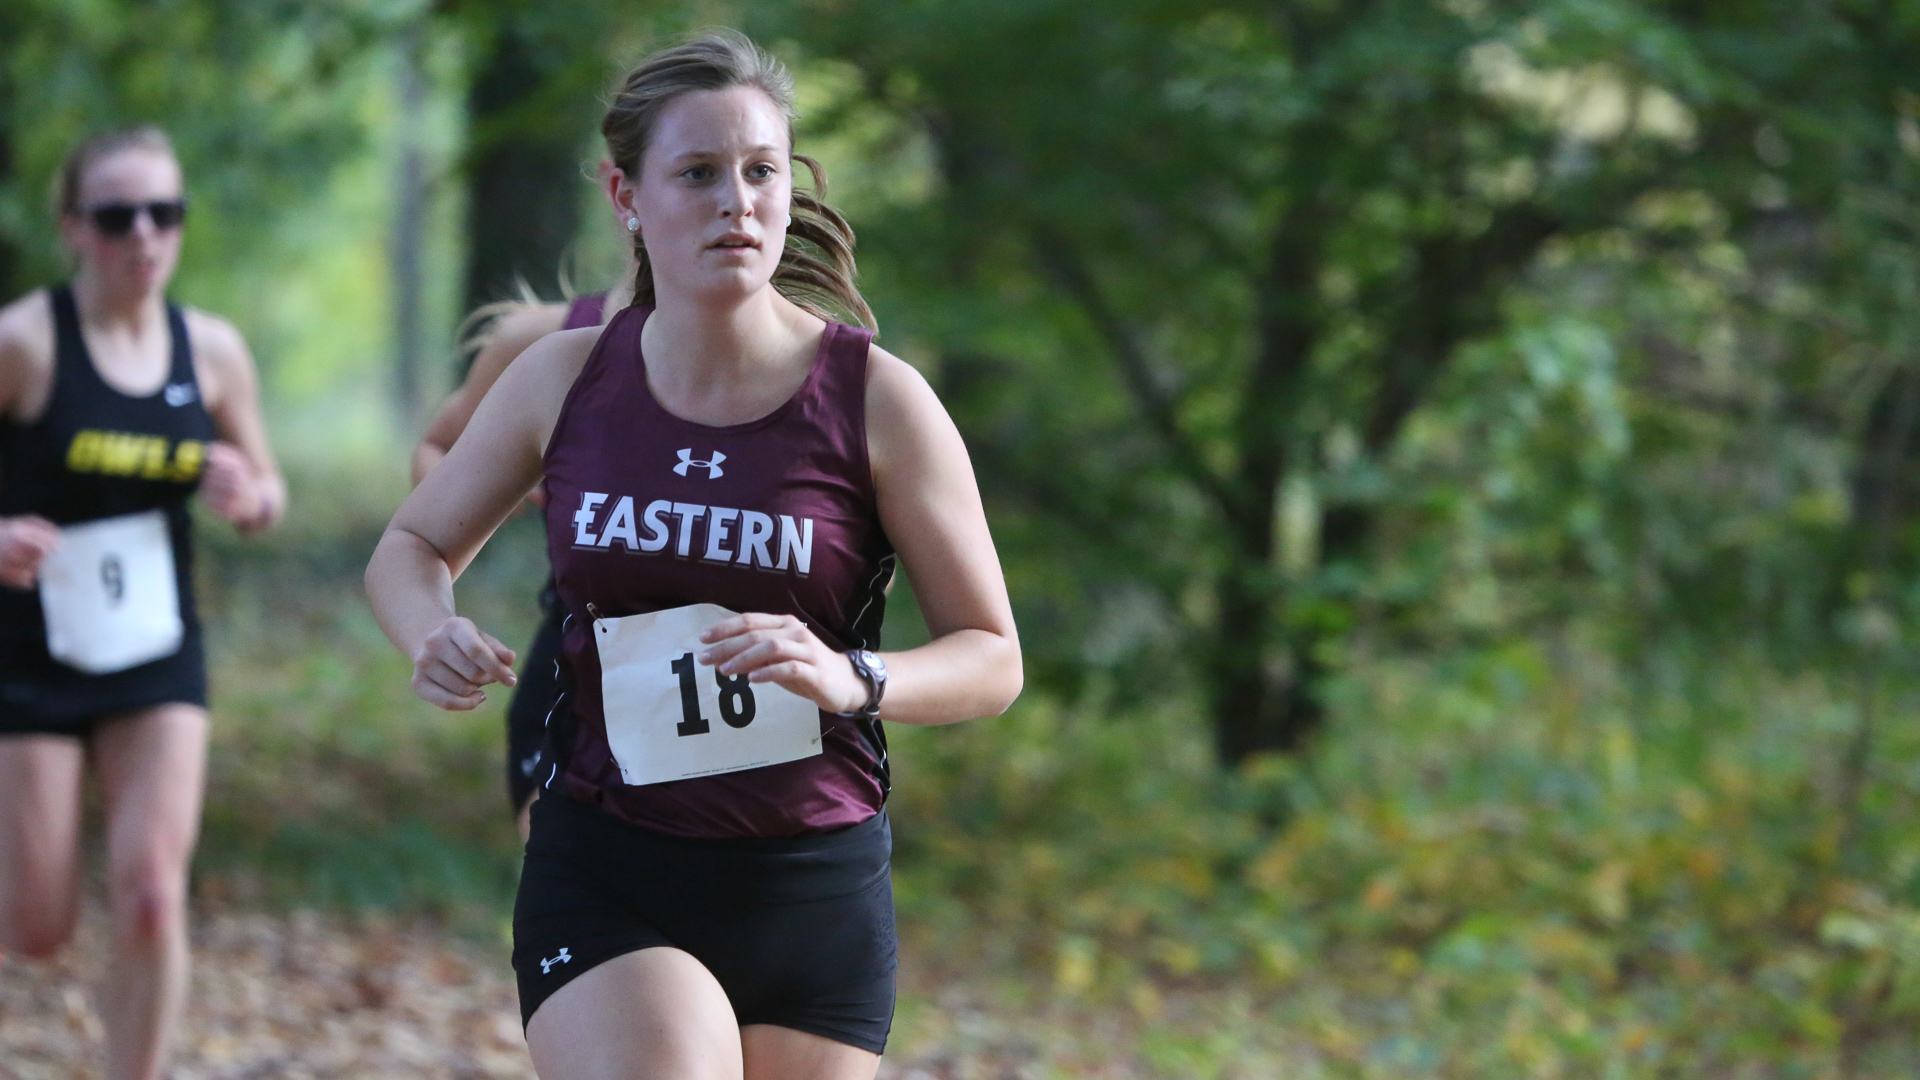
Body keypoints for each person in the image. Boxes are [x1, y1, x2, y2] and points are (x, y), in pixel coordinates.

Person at [366, 29, 1021, 1080]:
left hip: (812, 883)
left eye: (762, 172)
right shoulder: (562, 377)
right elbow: (410, 543)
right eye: (700, 173)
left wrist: (852, 676)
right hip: (611, 863)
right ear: (624, 195)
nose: (738, 202)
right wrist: (429, 631)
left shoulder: (879, 401)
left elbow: (992, 655)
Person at [0, 126, 284, 1080]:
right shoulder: (24, 343)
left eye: (165, 213)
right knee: (34, 929)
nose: (145, 236)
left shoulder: (211, 350)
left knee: (154, 895)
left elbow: (268, 488)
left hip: (157, 649)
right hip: (28, 653)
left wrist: (249, 496)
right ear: (74, 227)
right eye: (119, 216)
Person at [413, 229, 632, 837]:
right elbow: (437, 447)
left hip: (747, 670)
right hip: (575, 650)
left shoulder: (803, 356)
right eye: (691, 180)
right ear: (624, 194)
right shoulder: (543, 341)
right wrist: (493, 494)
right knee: (567, 874)